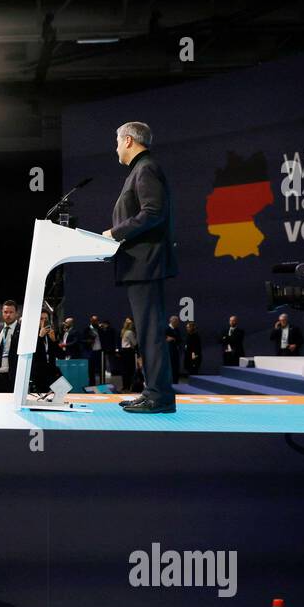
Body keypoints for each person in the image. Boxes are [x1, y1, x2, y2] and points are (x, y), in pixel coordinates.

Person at [103, 121, 178, 413]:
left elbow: (153, 212)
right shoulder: (140, 169)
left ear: (130, 140)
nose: (116, 148)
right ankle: (152, 392)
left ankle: (159, 397)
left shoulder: (145, 168)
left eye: (118, 141)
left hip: (145, 265)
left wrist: (114, 233)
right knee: (147, 331)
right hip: (140, 266)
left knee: (151, 332)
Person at [118, 317, 138, 393]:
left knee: (125, 370)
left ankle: (125, 386)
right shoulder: (130, 332)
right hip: (129, 352)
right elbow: (135, 343)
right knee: (130, 370)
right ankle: (129, 386)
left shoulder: (123, 331)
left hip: (124, 351)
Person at [164, 316, 184, 383]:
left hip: (175, 351)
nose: (177, 323)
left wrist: (173, 339)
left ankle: (175, 381)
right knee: (169, 367)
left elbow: (180, 339)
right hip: (168, 351)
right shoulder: (166, 329)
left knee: (175, 366)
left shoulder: (177, 329)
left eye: (177, 322)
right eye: (176, 321)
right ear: (172, 321)